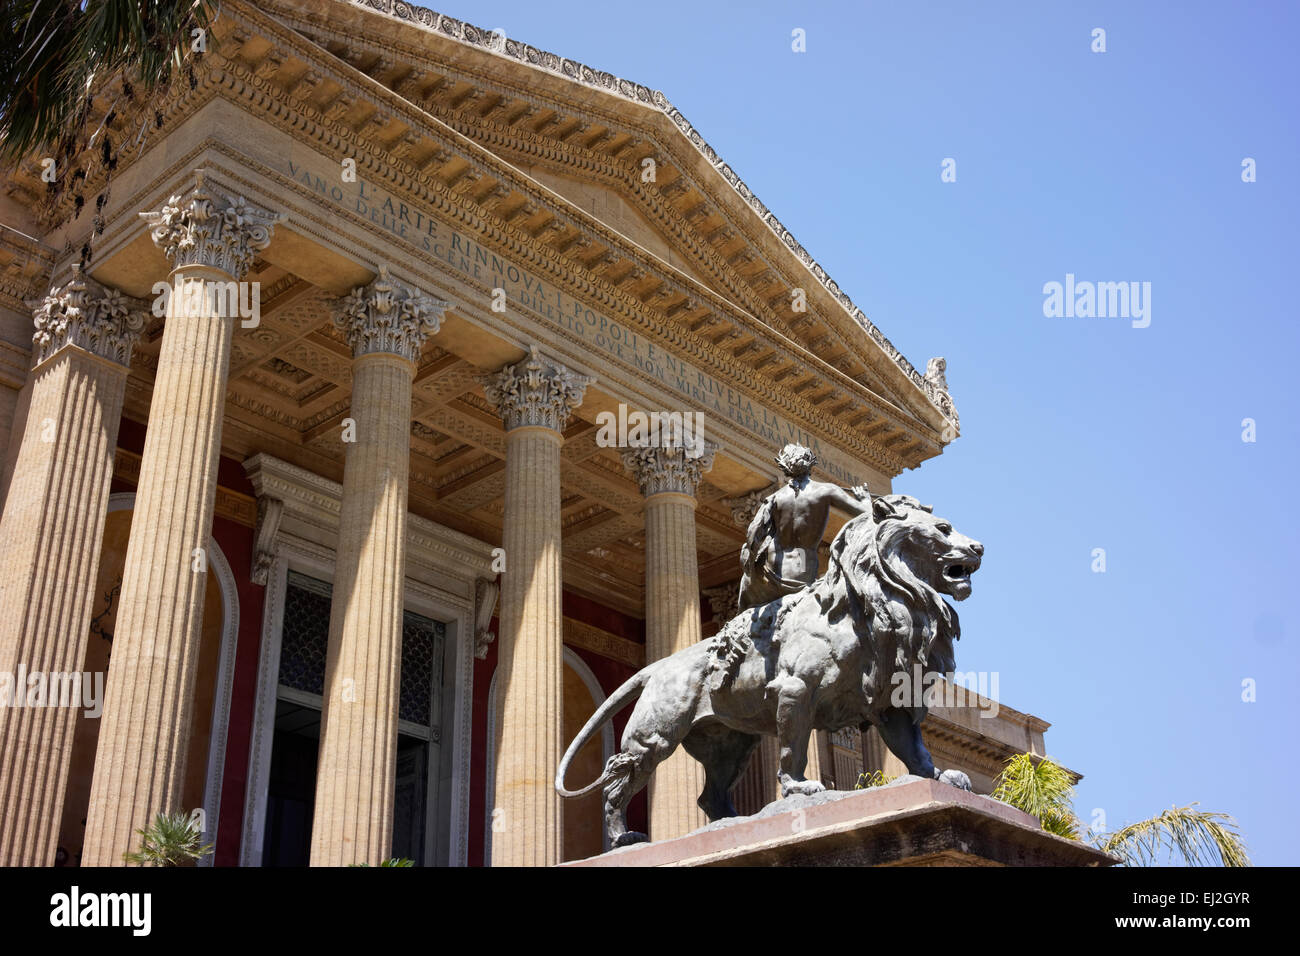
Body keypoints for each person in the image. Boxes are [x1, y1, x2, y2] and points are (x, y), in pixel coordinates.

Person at [737, 443, 870, 611]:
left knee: (745, 591)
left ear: (784, 467)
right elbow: (867, 513)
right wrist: (864, 499)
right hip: (802, 567)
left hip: (772, 572)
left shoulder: (774, 498)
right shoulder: (825, 491)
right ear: (810, 463)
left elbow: (753, 538)